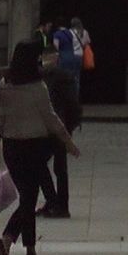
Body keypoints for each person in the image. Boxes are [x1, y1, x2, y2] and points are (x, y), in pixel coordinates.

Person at [0, 37, 77, 255]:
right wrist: (68, 142)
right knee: (29, 198)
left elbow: (0, 119)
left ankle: (30, 251)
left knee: (28, 198)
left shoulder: (4, 84)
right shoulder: (38, 86)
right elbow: (51, 118)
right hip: (34, 148)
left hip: (12, 147)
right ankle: (7, 241)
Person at [41, 35, 82, 217]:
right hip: (53, 127)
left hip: (56, 127)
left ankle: (57, 204)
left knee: (54, 167)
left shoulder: (59, 77)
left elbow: (72, 104)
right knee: (52, 166)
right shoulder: (44, 77)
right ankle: (55, 203)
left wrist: (70, 126)